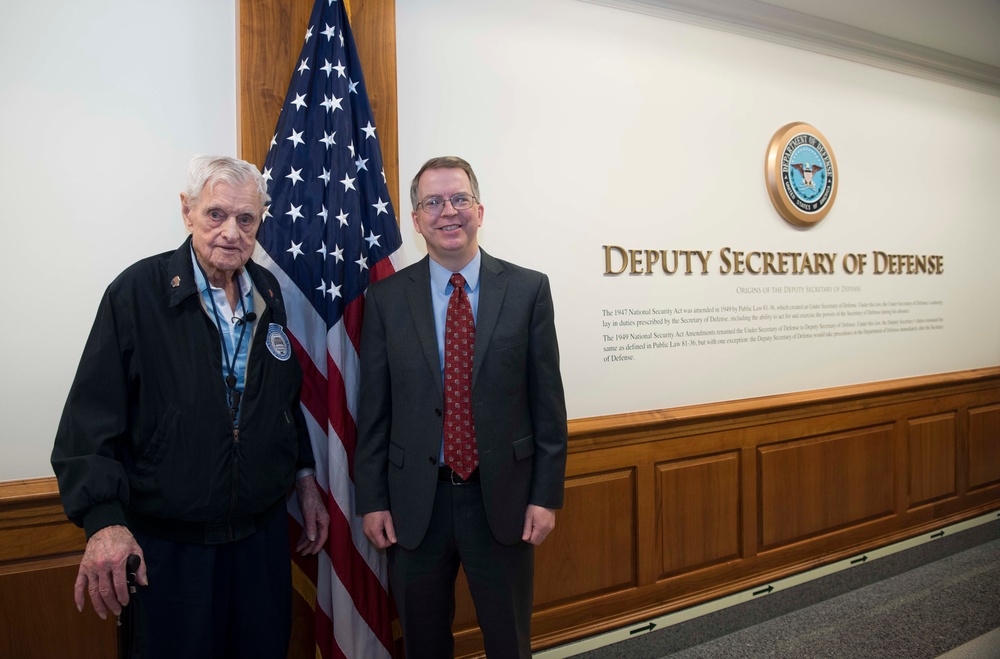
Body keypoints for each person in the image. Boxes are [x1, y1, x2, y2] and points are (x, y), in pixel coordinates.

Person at [51, 155, 330, 658]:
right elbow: (88, 422)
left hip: (259, 542)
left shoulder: (267, 294)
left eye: (246, 219)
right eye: (216, 214)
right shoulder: (137, 293)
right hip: (171, 548)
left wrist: (305, 479)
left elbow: (281, 403)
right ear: (187, 211)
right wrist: (104, 521)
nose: (231, 232)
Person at [355, 156, 568, 657]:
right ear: (416, 219)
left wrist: (545, 495)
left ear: (480, 210)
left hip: (504, 500)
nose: (447, 211)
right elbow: (374, 412)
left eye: (459, 199)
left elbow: (548, 406)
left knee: (508, 642)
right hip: (415, 505)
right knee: (424, 643)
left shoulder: (528, 290)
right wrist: (373, 500)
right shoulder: (385, 300)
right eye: (432, 202)